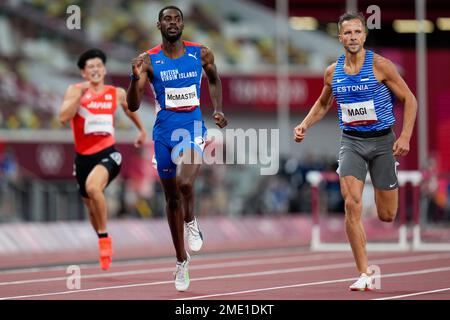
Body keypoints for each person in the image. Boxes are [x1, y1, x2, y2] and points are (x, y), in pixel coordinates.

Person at [293, 12, 417, 291]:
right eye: (347, 33)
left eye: (357, 32)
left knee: (387, 215)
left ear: (364, 36)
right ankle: (364, 273)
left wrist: (406, 136)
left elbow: (410, 99)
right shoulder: (332, 72)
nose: (352, 37)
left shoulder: (381, 66)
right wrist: (304, 125)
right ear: (340, 37)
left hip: (383, 141)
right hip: (351, 142)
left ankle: (386, 181)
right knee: (352, 204)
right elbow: (324, 104)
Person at [126, 5, 228, 292]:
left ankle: (191, 219)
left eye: (177, 19)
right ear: (158, 25)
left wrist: (218, 109)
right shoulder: (148, 60)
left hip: (192, 127)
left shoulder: (201, 53)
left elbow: (214, 79)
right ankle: (181, 260)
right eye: (167, 19)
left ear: (183, 24)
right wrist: (134, 78)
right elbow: (133, 104)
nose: (173, 23)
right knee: (171, 198)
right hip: (163, 133)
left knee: (185, 182)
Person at [59, 49, 147, 271]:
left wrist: (141, 130)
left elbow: (129, 109)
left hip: (108, 153)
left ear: (104, 69)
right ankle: (101, 237)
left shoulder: (115, 93)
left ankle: (105, 238)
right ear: (83, 72)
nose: (96, 70)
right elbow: (63, 118)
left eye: (99, 66)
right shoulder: (74, 91)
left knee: (93, 188)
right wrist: (78, 98)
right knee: (90, 206)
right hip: (82, 159)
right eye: (91, 67)